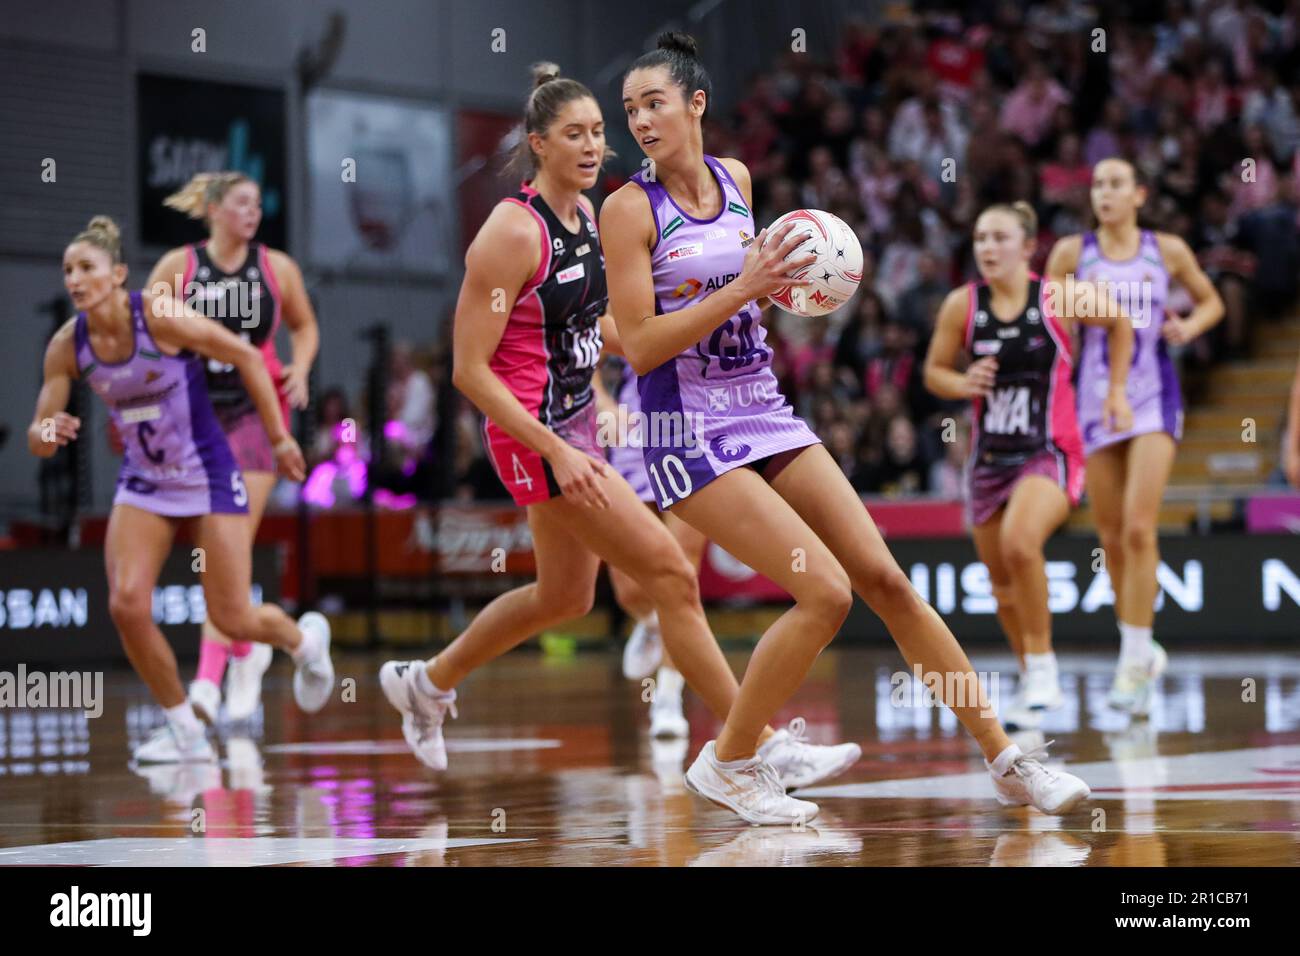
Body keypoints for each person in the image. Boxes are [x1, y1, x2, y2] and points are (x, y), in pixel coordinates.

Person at [601, 32, 1090, 822]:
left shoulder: (736, 179)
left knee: (887, 581)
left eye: (654, 103)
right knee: (824, 595)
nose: (641, 122)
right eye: (630, 110)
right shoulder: (627, 209)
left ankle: (1009, 760)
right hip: (681, 426)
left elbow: (749, 293)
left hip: (759, 402)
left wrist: (784, 290)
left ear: (696, 104)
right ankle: (729, 762)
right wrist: (745, 287)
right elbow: (643, 340)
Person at [377, 65, 860, 821]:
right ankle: (756, 747)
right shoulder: (510, 230)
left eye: (599, 132)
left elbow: (589, 327)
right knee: (669, 574)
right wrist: (559, 449)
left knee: (564, 597)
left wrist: (603, 388)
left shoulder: (590, 215)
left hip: (572, 419)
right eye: (575, 134)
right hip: (530, 433)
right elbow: (471, 371)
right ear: (537, 144)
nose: (594, 144)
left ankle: (427, 682)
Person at [27, 215, 334, 763]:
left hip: (209, 474)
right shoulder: (66, 346)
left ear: (118, 274)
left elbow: (243, 355)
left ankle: (304, 642)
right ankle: (184, 729)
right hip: (145, 482)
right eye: (68, 270)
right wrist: (48, 431)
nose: (75, 279)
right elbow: (39, 435)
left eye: (87, 268)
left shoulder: (159, 316)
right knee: (125, 604)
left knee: (234, 615)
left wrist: (280, 438)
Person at [924, 201, 1134, 729]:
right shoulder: (962, 305)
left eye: (998, 238)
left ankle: (1042, 669)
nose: (987, 249)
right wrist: (962, 382)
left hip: (1051, 452)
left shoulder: (1059, 297)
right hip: (989, 458)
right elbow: (933, 373)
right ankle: (1032, 679)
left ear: (1026, 246)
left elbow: (1121, 320)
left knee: (1021, 542)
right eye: (979, 239)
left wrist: (1113, 391)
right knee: (1000, 584)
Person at [1046, 158, 1224, 716]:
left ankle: (1133, 658)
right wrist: (1074, 312)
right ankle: (1141, 647)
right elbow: (1047, 309)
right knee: (1113, 536)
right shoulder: (1072, 254)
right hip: (1094, 400)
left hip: (1154, 397)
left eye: (1116, 184)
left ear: (1139, 194)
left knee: (1141, 527)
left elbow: (1211, 300)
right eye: (1097, 184)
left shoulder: (1165, 250)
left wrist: (1188, 326)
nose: (1105, 193)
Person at [149, 171, 320, 724]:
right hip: (195, 417)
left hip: (256, 412)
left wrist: (302, 366)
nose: (253, 212)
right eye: (242, 203)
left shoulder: (277, 268)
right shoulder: (180, 267)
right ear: (215, 209)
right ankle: (250, 650)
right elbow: (145, 327)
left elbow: (305, 325)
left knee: (230, 543)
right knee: (218, 557)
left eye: (257, 204)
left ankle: (205, 681)